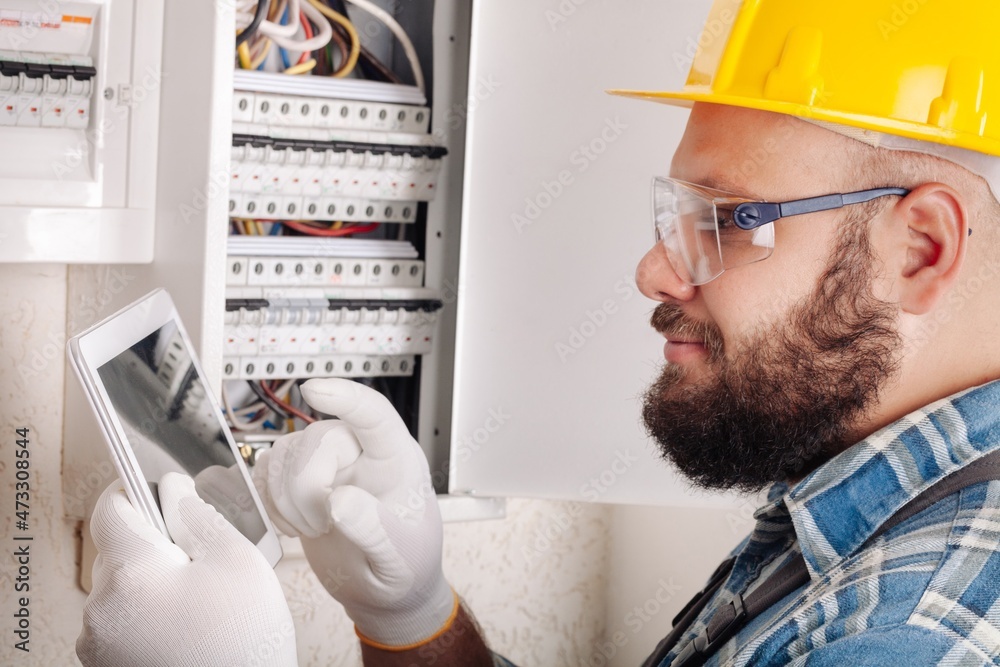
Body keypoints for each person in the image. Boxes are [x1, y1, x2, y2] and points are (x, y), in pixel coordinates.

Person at [77, 0, 1000, 665]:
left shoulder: (908, 636)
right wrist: (413, 618)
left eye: (720, 220)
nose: (655, 269)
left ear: (920, 248)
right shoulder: (856, 518)